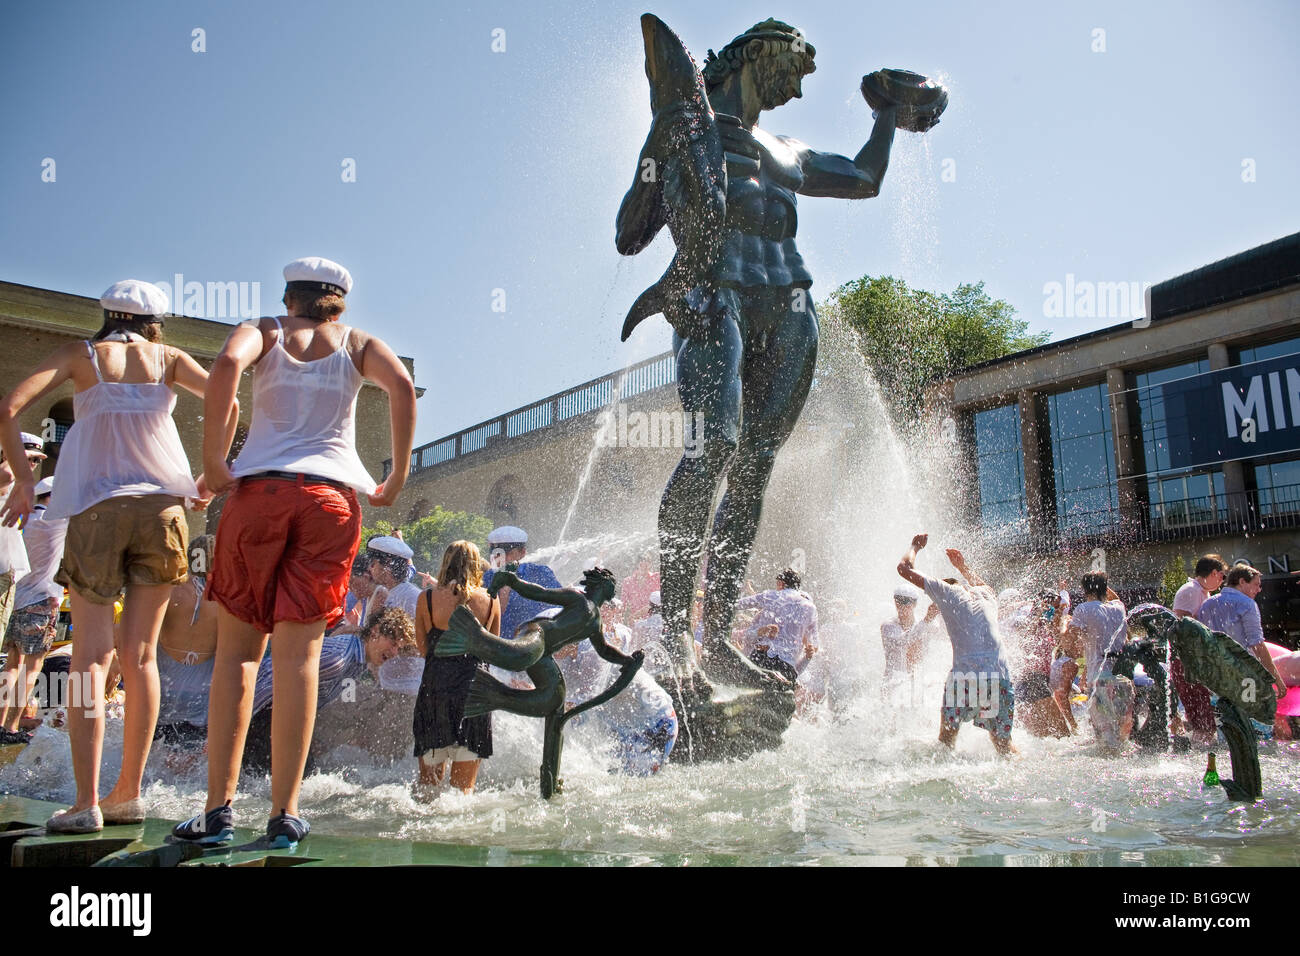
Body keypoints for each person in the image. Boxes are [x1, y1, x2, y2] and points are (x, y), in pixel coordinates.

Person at [173, 257, 415, 849]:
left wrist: (213, 462)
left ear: (289, 298)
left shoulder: (267, 331)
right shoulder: (358, 344)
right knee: (300, 659)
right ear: (340, 303)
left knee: (237, 657)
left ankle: (216, 812)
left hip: (260, 492)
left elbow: (227, 365)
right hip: (329, 500)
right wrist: (396, 479)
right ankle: (284, 813)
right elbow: (403, 388)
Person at [0, 280, 224, 833]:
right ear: (157, 322)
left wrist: (26, 482)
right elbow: (231, 395)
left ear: (106, 315)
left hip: (97, 511)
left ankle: (85, 802)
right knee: (141, 657)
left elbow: (9, 405)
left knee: (90, 660)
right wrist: (210, 476)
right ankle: (128, 794)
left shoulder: (83, 355)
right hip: (165, 514)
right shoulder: (170, 358)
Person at [896, 534, 1015, 756]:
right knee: (1004, 749)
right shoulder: (987, 595)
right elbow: (981, 583)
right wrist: (962, 566)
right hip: (998, 676)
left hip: (965, 678)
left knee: (945, 745)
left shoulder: (946, 592)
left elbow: (904, 569)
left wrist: (915, 546)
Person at [412, 540, 500, 797]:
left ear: (445, 563)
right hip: (475, 696)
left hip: (434, 692)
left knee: (427, 791)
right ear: (476, 565)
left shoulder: (426, 598)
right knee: (463, 793)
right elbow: (493, 650)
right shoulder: (491, 601)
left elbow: (424, 648)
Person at [0, 475, 66, 742]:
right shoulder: (58, 521)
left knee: (11, 665)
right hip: (41, 602)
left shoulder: (21, 521)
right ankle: (12, 727)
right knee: (32, 667)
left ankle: (1, 721)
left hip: (14, 599)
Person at [0, 433, 42, 734]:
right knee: (22, 665)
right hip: (5, 574)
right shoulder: (9, 477)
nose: (33, 468)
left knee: (13, 663)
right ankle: (10, 727)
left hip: (11, 576)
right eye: (30, 459)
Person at [1195, 563, 1287, 701]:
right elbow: (1257, 645)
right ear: (1242, 582)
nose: (1259, 589)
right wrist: (1276, 679)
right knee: (1252, 719)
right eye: (1256, 584)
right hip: (1243, 674)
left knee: (1222, 718)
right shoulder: (1247, 604)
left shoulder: (1207, 604)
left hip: (1215, 675)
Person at [1170, 554, 1227, 744]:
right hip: (1187, 662)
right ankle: (1200, 757)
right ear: (1214, 573)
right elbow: (1183, 625)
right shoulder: (1191, 591)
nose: (1222, 581)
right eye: (1222, 576)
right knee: (1201, 717)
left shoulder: (1202, 592)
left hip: (1195, 662)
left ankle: (1201, 753)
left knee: (1202, 716)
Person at [734, 568, 818, 685]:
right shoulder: (810, 608)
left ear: (780, 584)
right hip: (786, 668)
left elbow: (737, 604)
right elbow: (814, 645)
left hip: (762, 660)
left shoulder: (771, 596)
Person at [1010, 591, 1073, 738]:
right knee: (1063, 735)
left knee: (1043, 737)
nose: (1055, 609)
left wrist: (1057, 615)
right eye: (1053, 605)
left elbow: (1059, 639)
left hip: (1036, 680)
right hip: (1033, 680)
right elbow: (1025, 634)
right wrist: (1039, 611)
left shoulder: (1047, 626)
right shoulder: (1029, 623)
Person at [1059, 572, 1127, 688]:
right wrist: (1101, 583)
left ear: (1084, 590)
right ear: (1105, 588)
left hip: (1099, 678)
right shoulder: (1119, 608)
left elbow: (1066, 643)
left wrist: (1063, 622)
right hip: (1123, 677)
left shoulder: (1084, 609)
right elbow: (1116, 598)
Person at [367, 536, 421, 621]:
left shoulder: (411, 598)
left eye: (373, 564)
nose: (369, 568)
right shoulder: (385, 592)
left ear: (388, 564)